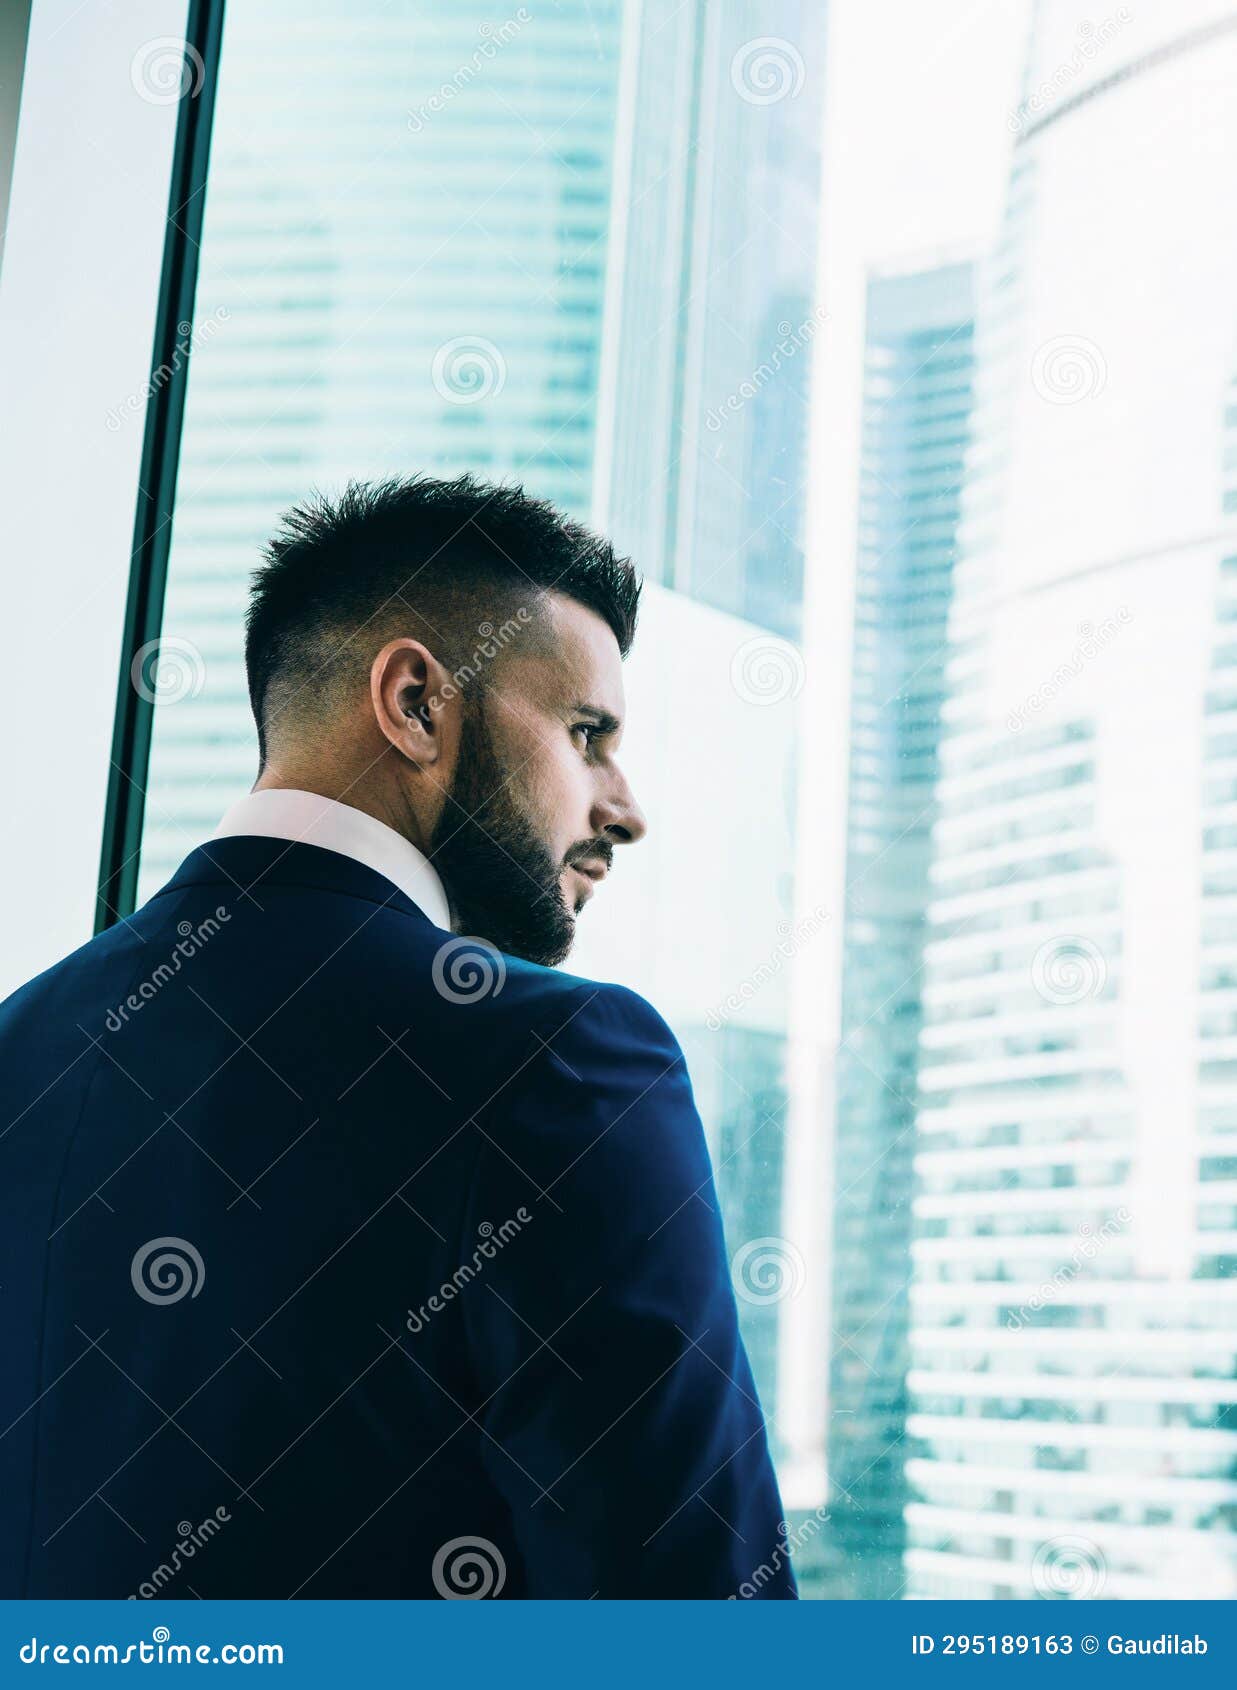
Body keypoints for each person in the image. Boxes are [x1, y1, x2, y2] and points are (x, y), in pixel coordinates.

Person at [0, 474, 796, 1599]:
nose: (623, 808)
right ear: (417, 701)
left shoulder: (22, 1042)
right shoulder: (558, 1056)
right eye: (585, 735)